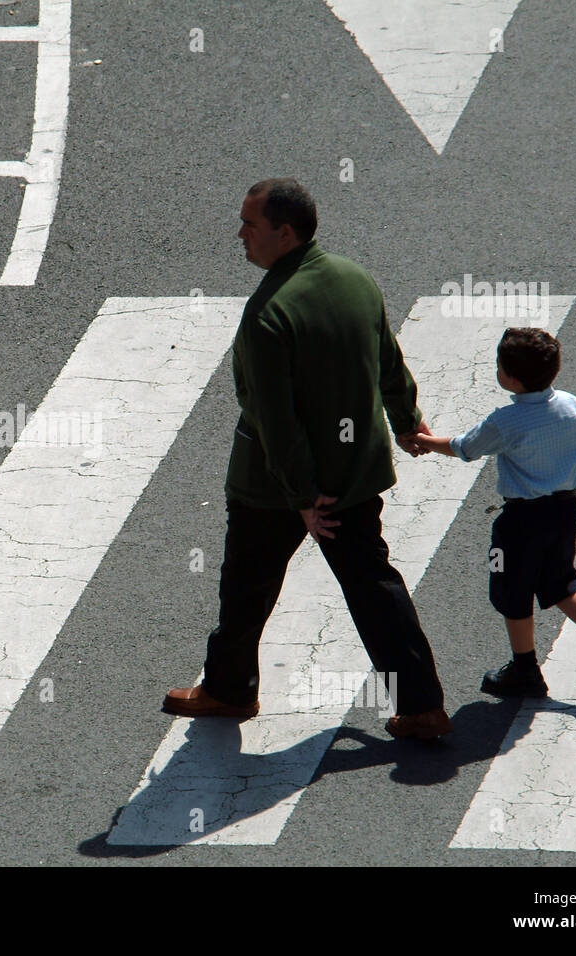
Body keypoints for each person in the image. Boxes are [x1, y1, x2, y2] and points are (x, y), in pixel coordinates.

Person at [162, 178, 452, 740]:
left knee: (247, 586)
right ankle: (423, 705)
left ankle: (229, 690)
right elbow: (387, 359)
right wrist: (407, 418)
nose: (240, 234)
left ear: (284, 232)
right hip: (355, 473)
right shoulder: (355, 280)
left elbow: (274, 419)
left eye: (250, 224)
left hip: (278, 488)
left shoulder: (268, 313)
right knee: (374, 587)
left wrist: (301, 499)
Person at [410, 327, 576, 696]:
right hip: (565, 510)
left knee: (513, 589)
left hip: (520, 522)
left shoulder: (506, 421)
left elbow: (466, 448)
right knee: (560, 578)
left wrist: (423, 442)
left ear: (510, 377)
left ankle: (525, 669)